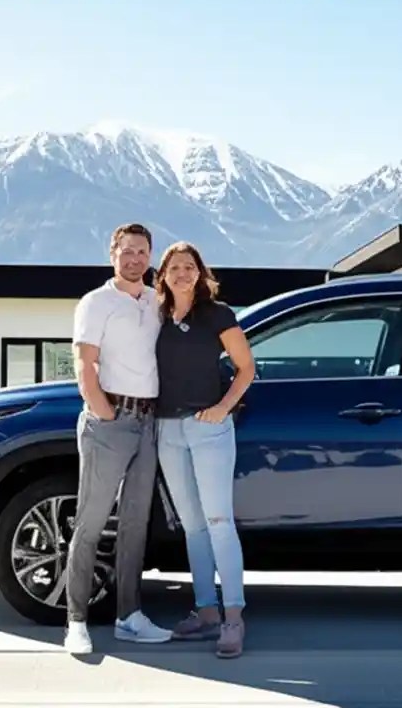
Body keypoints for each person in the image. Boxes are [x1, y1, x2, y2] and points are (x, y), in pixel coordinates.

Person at [64, 222, 174, 655]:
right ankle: (76, 622)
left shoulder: (155, 302)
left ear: (151, 257)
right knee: (90, 523)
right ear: (113, 253)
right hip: (109, 422)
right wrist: (104, 412)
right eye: (126, 251)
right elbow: (84, 363)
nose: (134, 259)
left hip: (149, 424)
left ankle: (129, 616)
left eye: (142, 252)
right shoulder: (96, 302)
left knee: (135, 525)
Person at [152, 240, 256, 659]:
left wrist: (222, 408)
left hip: (208, 429)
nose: (182, 273)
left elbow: (246, 368)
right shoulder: (153, 316)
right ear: (163, 275)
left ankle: (233, 618)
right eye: (174, 267)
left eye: (189, 266)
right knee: (191, 525)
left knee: (217, 521)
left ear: (200, 272)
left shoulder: (218, 314)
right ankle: (206, 611)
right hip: (166, 429)